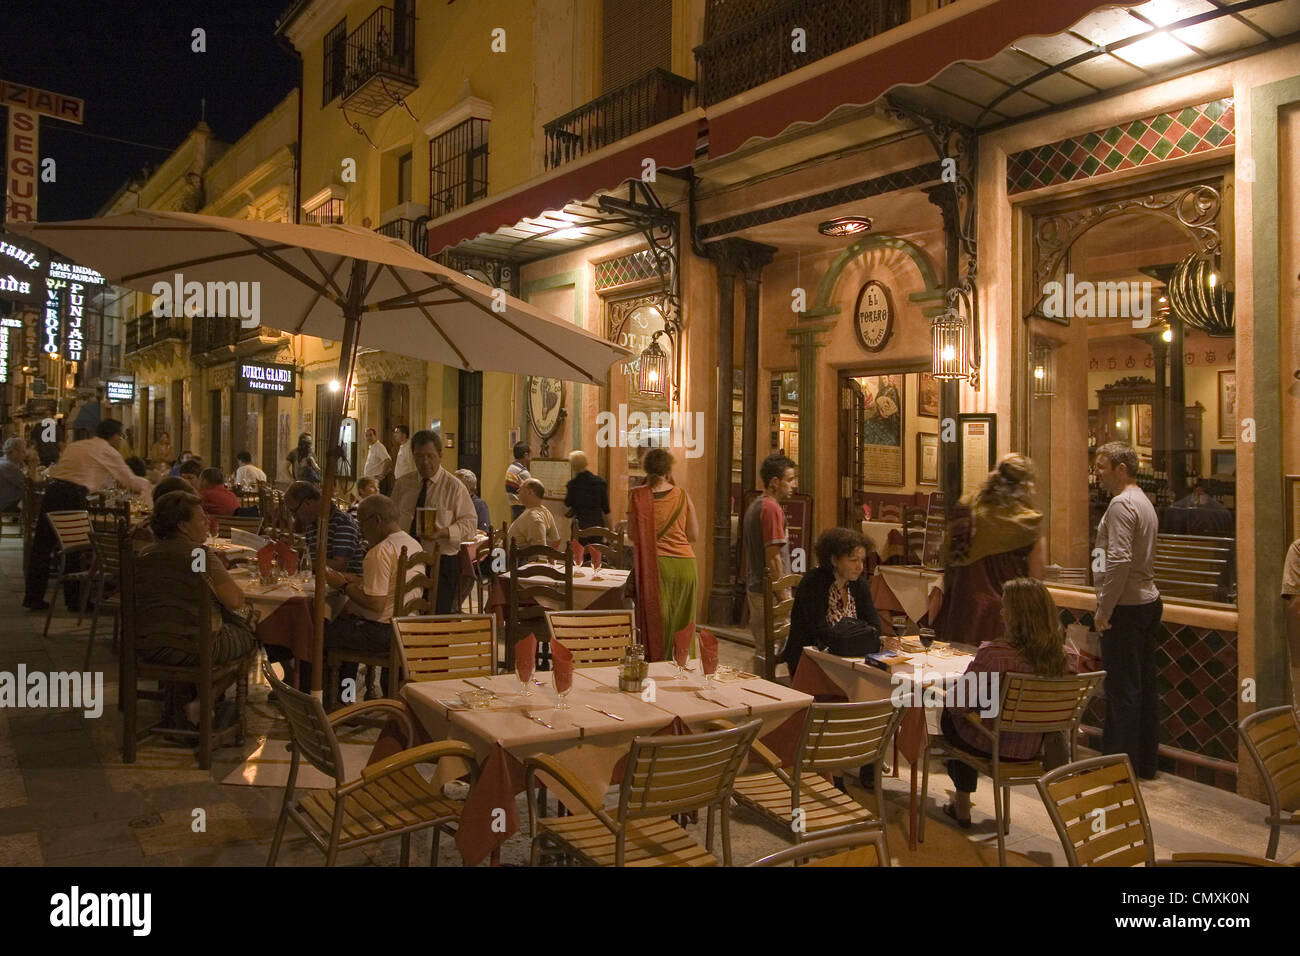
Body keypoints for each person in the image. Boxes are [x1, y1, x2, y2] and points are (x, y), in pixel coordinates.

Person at [939, 577, 1072, 827]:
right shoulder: (1065, 659)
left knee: (954, 715)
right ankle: (961, 804)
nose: (1001, 613)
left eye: (1005, 608)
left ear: (1015, 617)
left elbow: (957, 704)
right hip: (1032, 748)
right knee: (976, 711)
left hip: (993, 745)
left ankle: (962, 804)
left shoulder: (994, 655)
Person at [136, 490, 257, 732]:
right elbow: (234, 600)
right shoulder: (198, 555)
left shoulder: (144, 554)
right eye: (201, 519)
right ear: (182, 525)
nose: (207, 523)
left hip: (148, 645)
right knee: (250, 636)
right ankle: (203, 701)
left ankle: (180, 702)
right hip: (195, 646)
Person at [25, 419, 153, 611]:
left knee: (42, 547)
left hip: (52, 492)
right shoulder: (107, 451)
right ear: (114, 436)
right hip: (71, 496)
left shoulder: (77, 445)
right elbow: (128, 480)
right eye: (120, 436)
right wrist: (150, 486)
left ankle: (33, 598)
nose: (120, 440)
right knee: (75, 548)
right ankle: (75, 601)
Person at [1092, 441, 1161, 780]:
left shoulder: (1121, 504)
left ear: (1121, 469)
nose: (1096, 473)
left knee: (1122, 690)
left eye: (1102, 466)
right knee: (1144, 687)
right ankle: (1145, 763)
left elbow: (1118, 560)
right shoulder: (1143, 501)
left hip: (1126, 605)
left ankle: (1117, 767)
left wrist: (1104, 609)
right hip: (1147, 601)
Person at [927, 453, 1046, 645]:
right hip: (1007, 614)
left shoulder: (967, 508)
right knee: (998, 670)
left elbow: (947, 555)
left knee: (959, 671)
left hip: (962, 606)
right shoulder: (1029, 521)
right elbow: (1037, 575)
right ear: (1025, 485)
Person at [323, 494, 423, 700]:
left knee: (324, 634)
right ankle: (351, 696)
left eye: (361, 523)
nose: (360, 530)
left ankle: (341, 700)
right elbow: (388, 583)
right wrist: (355, 579)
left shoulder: (379, 551)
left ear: (376, 520)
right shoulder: (413, 544)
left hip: (384, 633)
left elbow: (375, 604)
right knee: (346, 624)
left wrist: (342, 585)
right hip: (410, 627)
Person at [391, 430, 477, 613]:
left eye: (430, 456)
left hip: (441, 561)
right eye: (419, 456)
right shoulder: (403, 484)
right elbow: (392, 517)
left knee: (437, 617)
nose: (425, 462)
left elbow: (470, 525)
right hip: (406, 560)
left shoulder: (454, 487)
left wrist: (444, 531)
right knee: (405, 612)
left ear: (440, 455)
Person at [628, 448, 699, 661]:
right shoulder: (683, 495)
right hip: (686, 565)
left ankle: (661, 668)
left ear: (645, 468)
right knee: (683, 624)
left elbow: (633, 535)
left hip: (656, 566)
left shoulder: (637, 496)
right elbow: (693, 534)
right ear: (668, 469)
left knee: (660, 623)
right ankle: (682, 667)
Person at [784, 527, 883, 675]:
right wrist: (858, 641)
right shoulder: (814, 582)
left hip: (850, 658)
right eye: (853, 560)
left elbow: (875, 626)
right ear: (834, 560)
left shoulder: (859, 584)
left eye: (862, 560)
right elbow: (819, 631)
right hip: (811, 660)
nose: (860, 567)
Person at [744, 454, 797, 664]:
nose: (794, 485)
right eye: (790, 479)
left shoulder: (756, 505)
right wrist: (783, 595)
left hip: (757, 587)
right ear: (775, 482)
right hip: (769, 593)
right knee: (773, 650)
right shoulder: (771, 508)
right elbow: (773, 556)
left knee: (763, 648)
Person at [284, 480, 366, 576]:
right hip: (322, 584)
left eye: (294, 511)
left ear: (307, 503)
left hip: (345, 586)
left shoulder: (342, 523)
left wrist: (303, 563)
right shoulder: (312, 524)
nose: (294, 517)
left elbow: (339, 566)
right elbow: (314, 556)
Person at [564, 449, 610, 541]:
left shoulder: (573, 484)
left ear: (573, 466)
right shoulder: (600, 482)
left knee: (579, 553)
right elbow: (605, 508)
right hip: (597, 524)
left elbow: (568, 503)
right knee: (596, 552)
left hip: (580, 524)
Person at [508, 479, 560, 550]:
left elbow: (539, 550)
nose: (518, 491)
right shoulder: (545, 511)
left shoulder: (534, 518)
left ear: (529, 492)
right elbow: (556, 541)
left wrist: (549, 559)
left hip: (513, 559)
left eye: (521, 488)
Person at [455, 468, 491, 534]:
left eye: (456, 485)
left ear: (467, 487)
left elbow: (484, 532)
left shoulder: (479, 505)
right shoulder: (453, 502)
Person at [505, 441, 532, 520]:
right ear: (526, 455)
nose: (531, 458)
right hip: (522, 508)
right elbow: (531, 492)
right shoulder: (522, 472)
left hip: (514, 507)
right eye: (530, 455)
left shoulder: (511, 468)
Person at [0, 437, 28, 513]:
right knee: (35, 500)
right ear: (14, 452)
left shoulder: (3, 461)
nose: (25, 454)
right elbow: (27, 485)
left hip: (4, 501)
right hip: (7, 505)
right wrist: (33, 465)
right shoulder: (9, 466)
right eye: (23, 451)